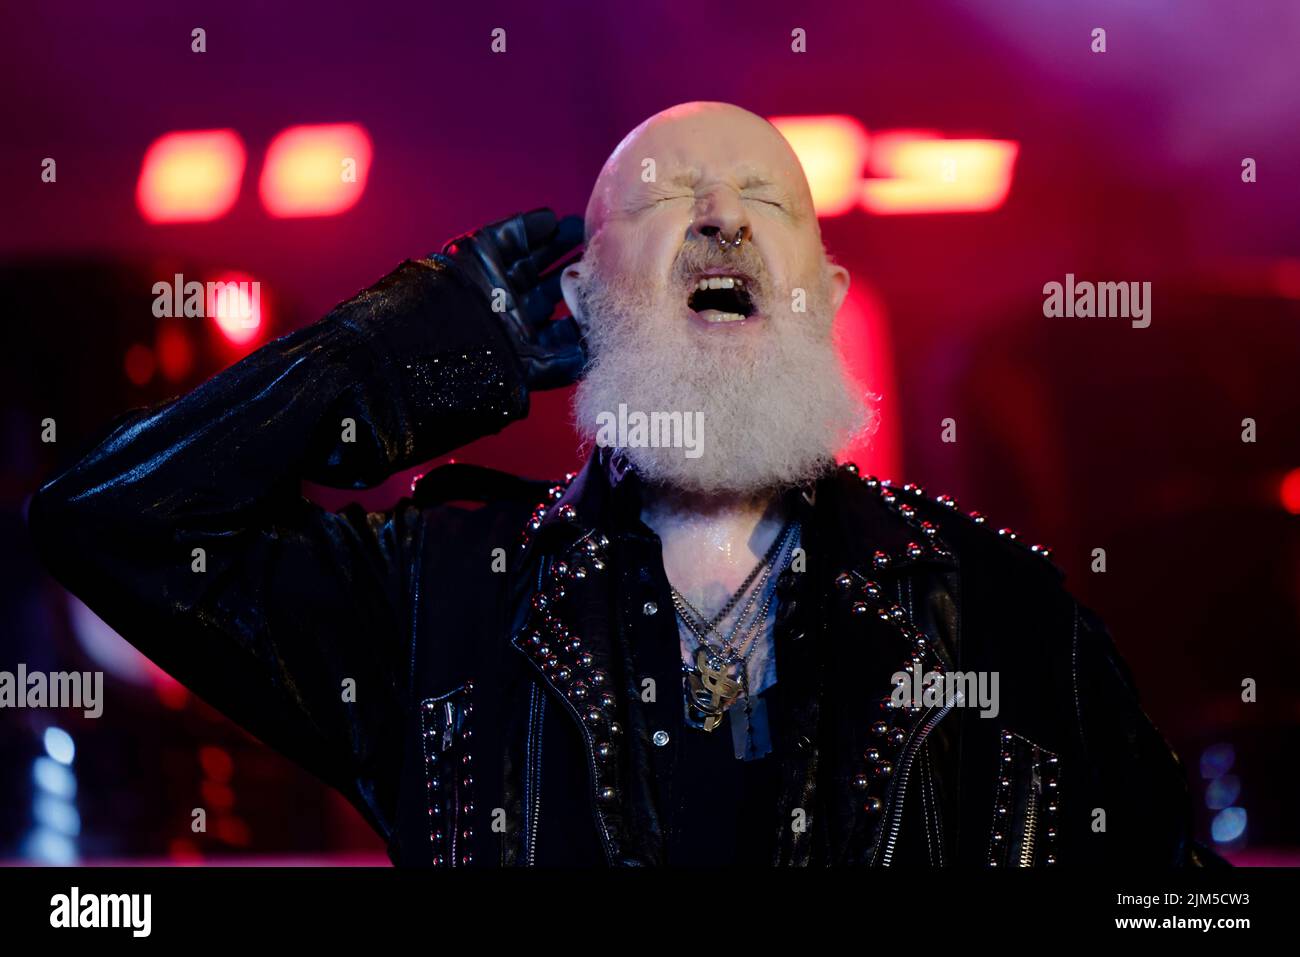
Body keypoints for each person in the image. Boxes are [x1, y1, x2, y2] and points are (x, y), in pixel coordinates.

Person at [29, 102, 1219, 866]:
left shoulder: (1007, 614)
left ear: (826, 295)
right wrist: (410, 349)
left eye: (765, 200)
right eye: (662, 199)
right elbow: (110, 522)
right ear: (582, 302)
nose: (718, 220)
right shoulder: (440, 601)